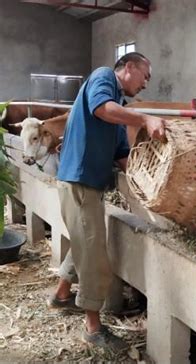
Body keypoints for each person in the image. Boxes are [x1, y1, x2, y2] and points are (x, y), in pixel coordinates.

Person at [48, 52, 166, 351]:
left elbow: (123, 156)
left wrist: (149, 182)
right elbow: (101, 108)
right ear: (128, 67)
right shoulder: (103, 78)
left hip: (89, 183)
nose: (146, 83)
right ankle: (93, 328)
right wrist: (145, 117)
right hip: (79, 181)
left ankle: (62, 295)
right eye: (145, 76)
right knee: (94, 252)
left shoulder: (120, 111)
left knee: (85, 241)